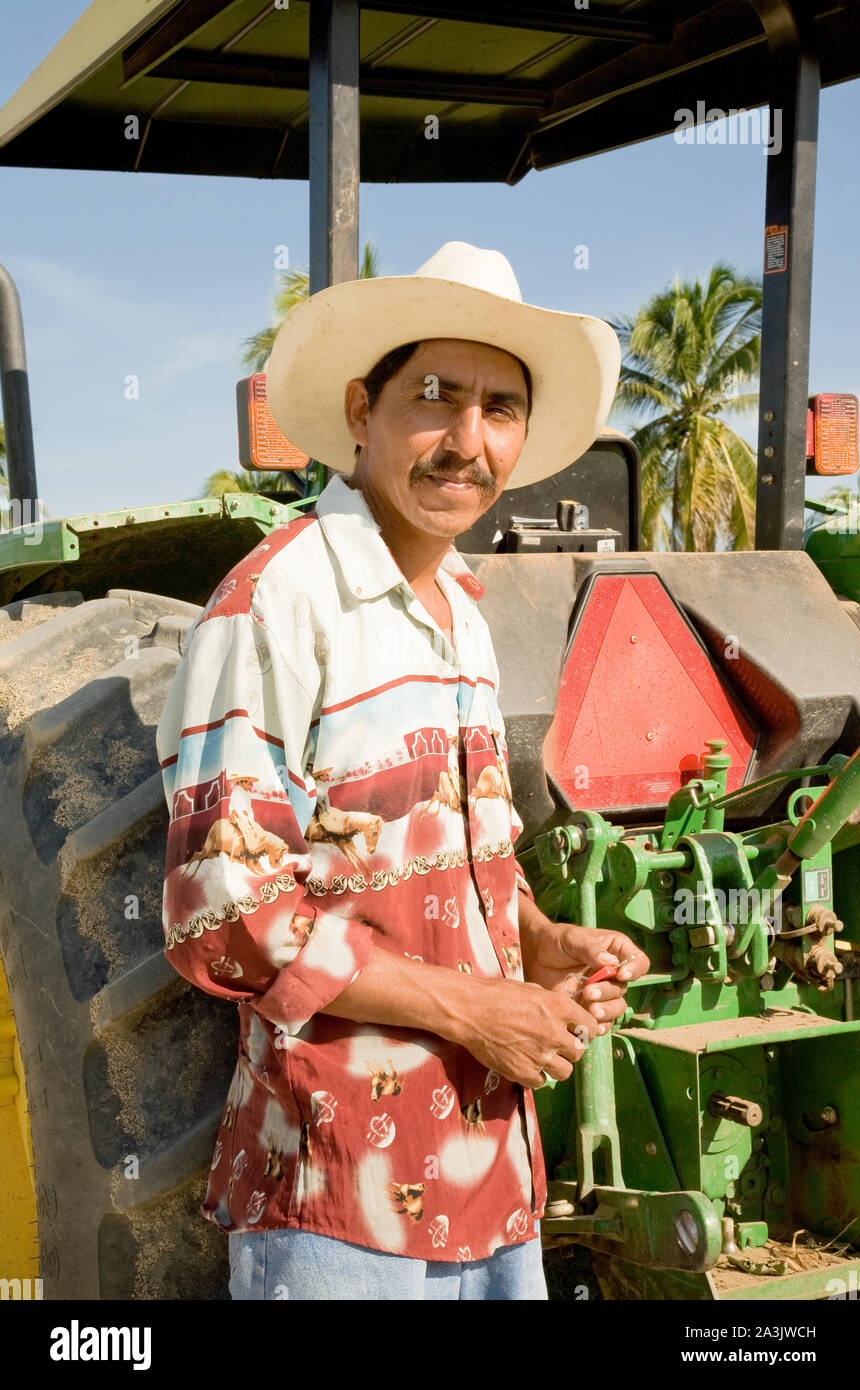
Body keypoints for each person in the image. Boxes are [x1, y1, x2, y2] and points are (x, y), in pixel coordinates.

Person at [156, 241, 650, 1301]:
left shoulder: (460, 609)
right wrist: (479, 1012)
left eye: (499, 409)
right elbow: (224, 913)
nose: (466, 442)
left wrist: (538, 942)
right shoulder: (275, 606)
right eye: (434, 398)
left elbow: (465, 847)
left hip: (490, 1178)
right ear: (360, 409)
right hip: (342, 1195)